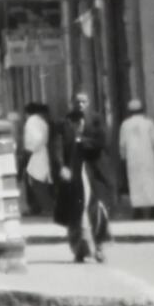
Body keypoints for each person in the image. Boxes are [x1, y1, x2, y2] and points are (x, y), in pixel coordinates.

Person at [53, 92, 112, 262]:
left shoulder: (96, 120)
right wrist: (62, 167)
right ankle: (80, 249)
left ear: (88, 103)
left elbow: (102, 142)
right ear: (71, 103)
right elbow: (56, 147)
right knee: (75, 211)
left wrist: (81, 141)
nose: (80, 104)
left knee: (98, 209)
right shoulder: (64, 123)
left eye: (84, 101)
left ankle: (99, 246)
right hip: (73, 172)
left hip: (94, 172)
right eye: (77, 101)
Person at [119, 98, 154, 219]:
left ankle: (138, 210)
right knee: (151, 181)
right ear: (142, 110)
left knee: (135, 183)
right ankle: (153, 210)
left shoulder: (125, 125)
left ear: (129, 111)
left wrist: (123, 157)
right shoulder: (149, 123)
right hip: (148, 157)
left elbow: (122, 144)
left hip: (133, 159)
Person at [21, 103, 53, 216]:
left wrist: (29, 150)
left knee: (36, 183)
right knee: (38, 181)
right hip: (41, 153)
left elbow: (36, 139)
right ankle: (37, 207)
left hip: (35, 154)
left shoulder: (31, 121)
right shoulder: (42, 122)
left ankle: (44, 207)